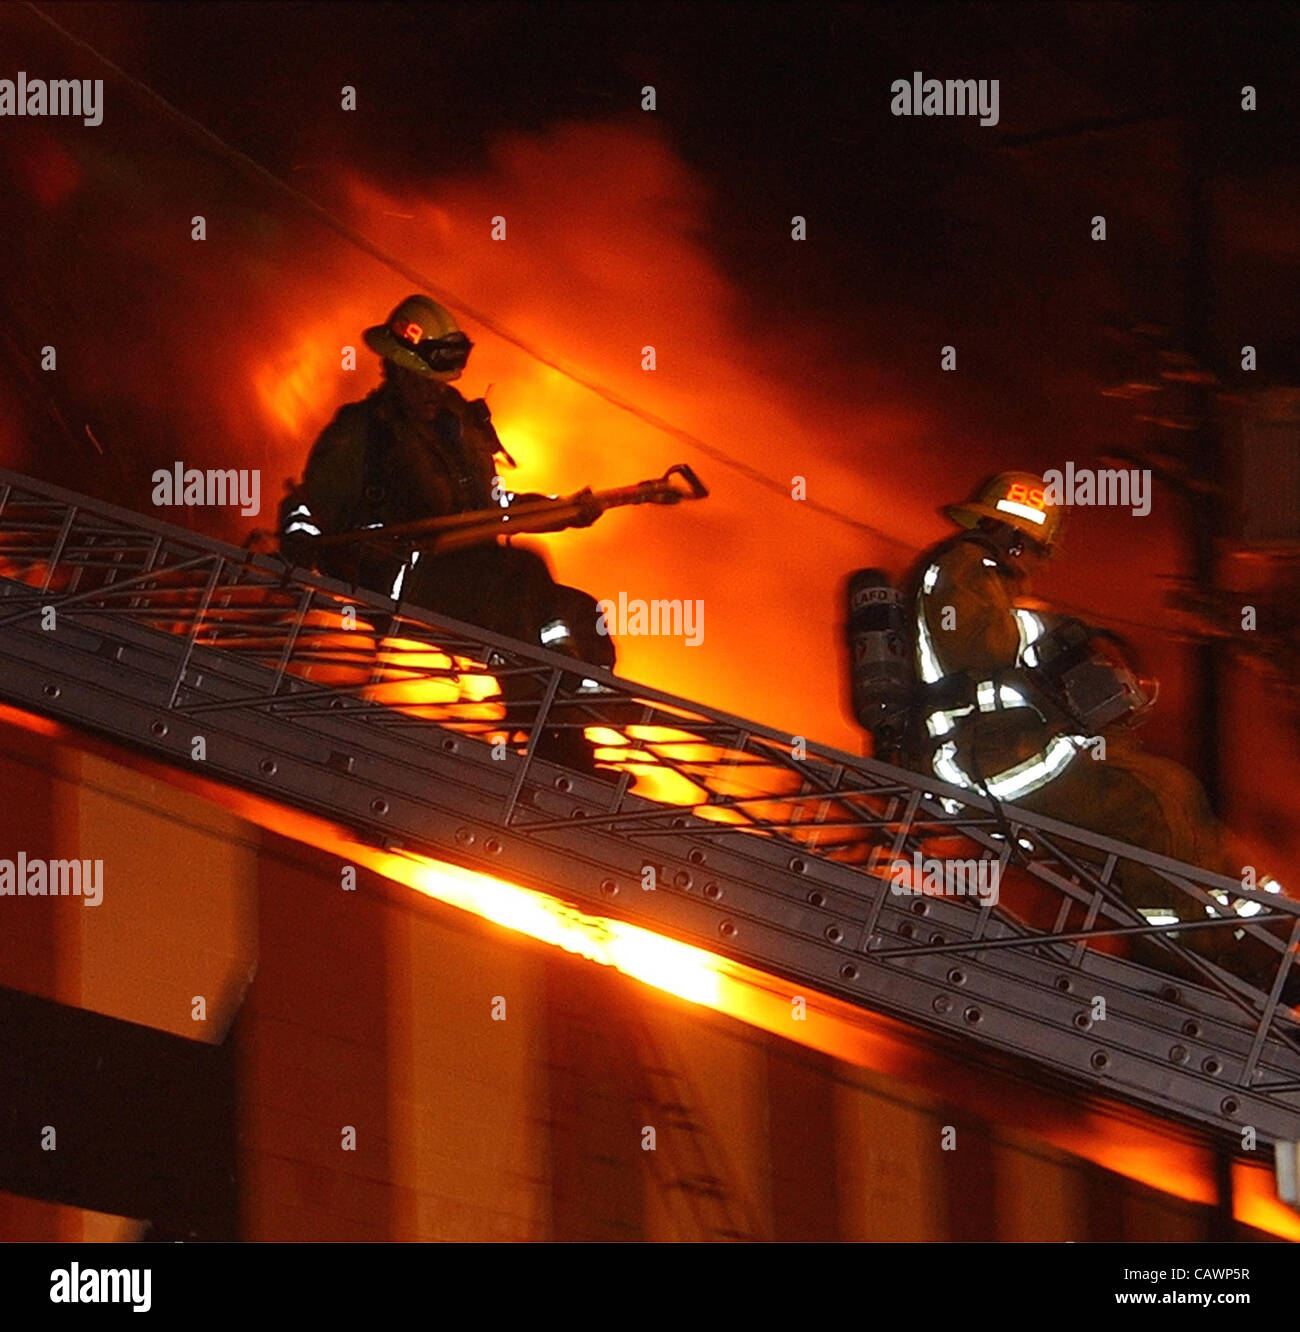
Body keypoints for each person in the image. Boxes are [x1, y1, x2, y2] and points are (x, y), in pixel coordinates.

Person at [904, 470, 1298, 1001]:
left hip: (1016, 752)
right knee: (1149, 803)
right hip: (986, 763)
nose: (1036, 564)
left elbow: (1003, 668)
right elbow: (981, 655)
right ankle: (1184, 954)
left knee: (1173, 785)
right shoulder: (963, 568)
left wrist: (1075, 685)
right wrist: (1052, 639)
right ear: (1013, 535)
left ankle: (1257, 939)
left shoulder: (986, 581)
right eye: (1035, 548)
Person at [280, 294, 612, 770]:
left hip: (475, 573)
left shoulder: (459, 426)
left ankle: (576, 717)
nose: (436, 390)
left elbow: (493, 506)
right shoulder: (361, 432)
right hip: (404, 580)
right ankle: (544, 728)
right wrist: (298, 544)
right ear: (394, 368)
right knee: (521, 577)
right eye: (424, 379)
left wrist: (563, 510)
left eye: (442, 380)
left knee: (580, 612)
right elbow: (308, 506)